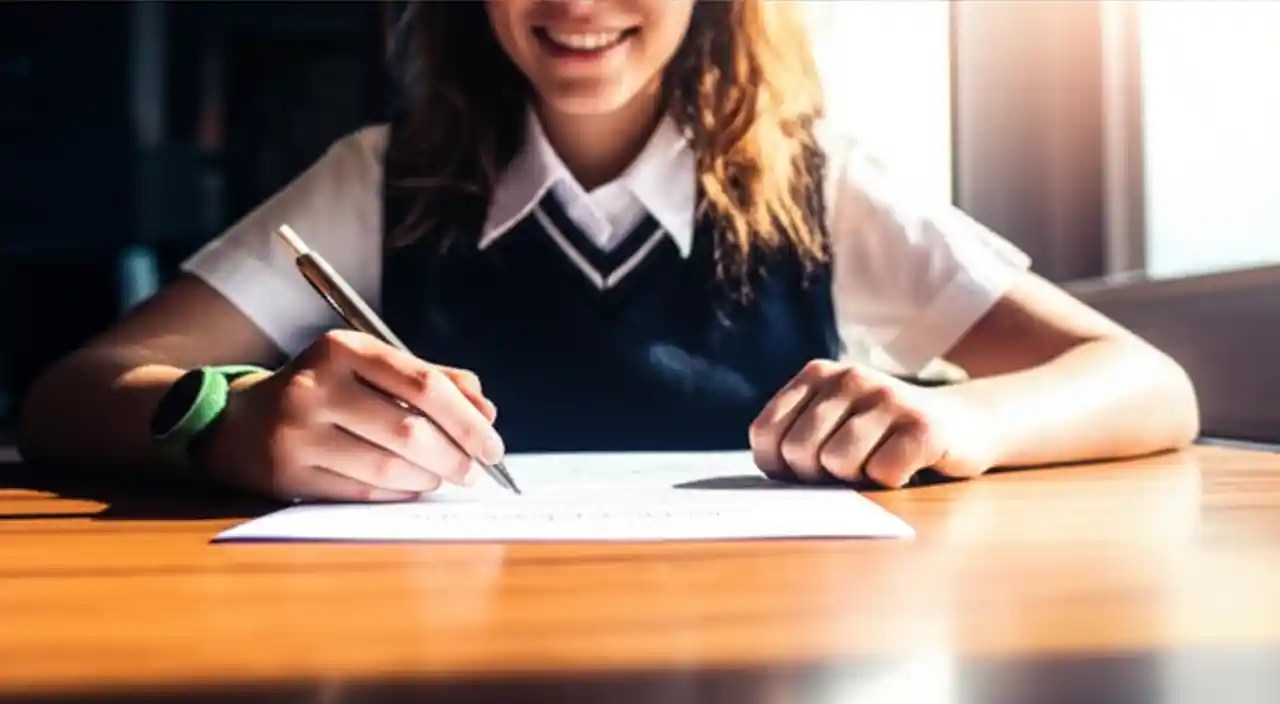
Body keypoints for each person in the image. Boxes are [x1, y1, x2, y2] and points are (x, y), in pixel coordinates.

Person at [18, 0, 1198, 502]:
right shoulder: (382, 178)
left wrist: (965, 423)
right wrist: (229, 420)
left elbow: (1146, 383)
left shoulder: (816, 184)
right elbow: (73, 395)